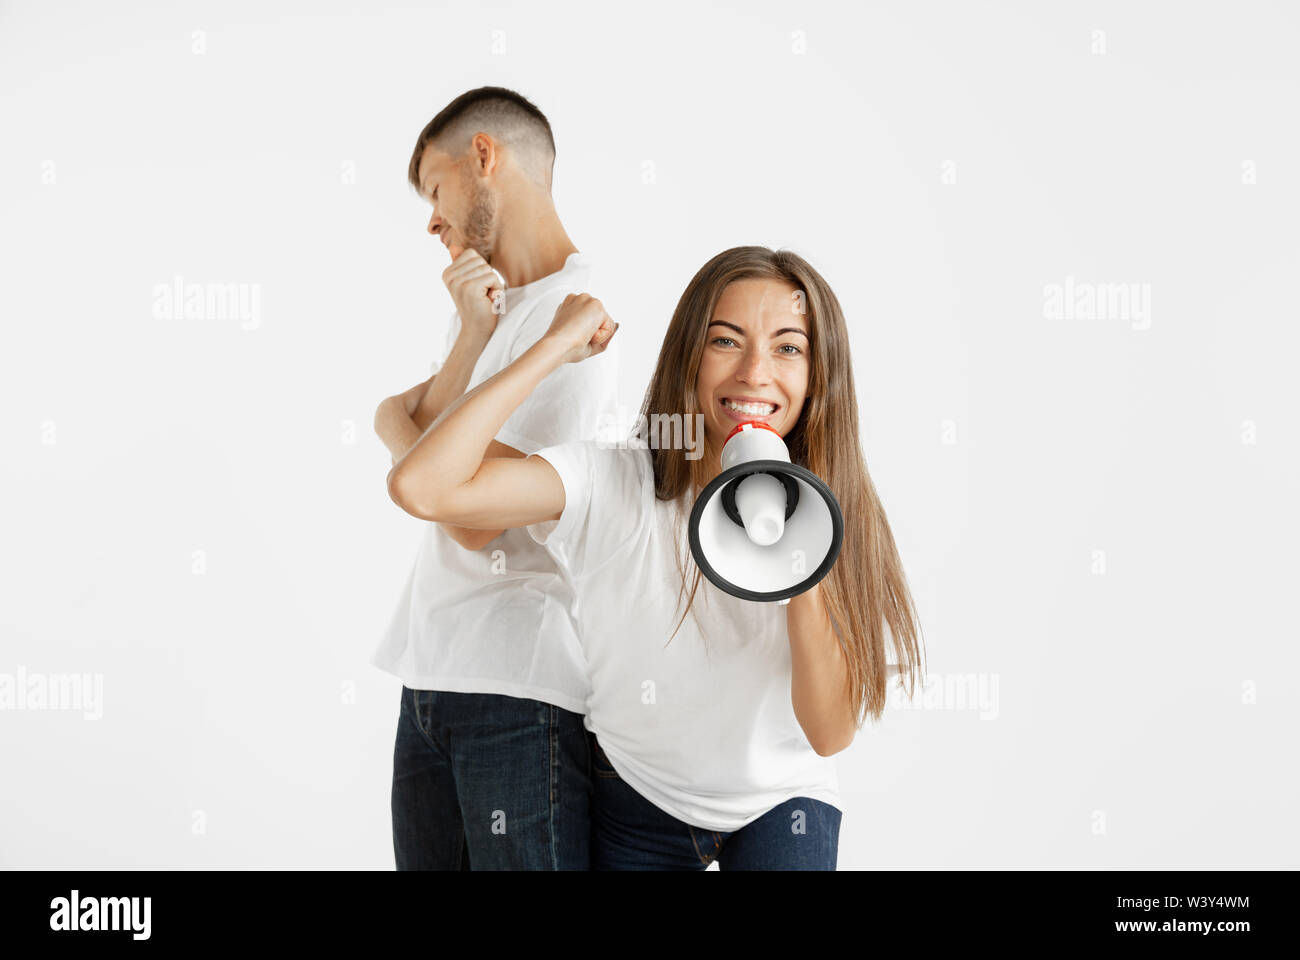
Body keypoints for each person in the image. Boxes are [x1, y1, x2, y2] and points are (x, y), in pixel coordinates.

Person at [388, 246, 926, 870]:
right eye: (727, 341)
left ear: (817, 375)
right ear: (688, 355)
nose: (755, 373)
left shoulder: (833, 513)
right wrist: (553, 348)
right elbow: (423, 488)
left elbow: (829, 733)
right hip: (638, 794)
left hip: (781, 800)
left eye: (788, 348)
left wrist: (799, 550)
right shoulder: (611, 481)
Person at [372, 87, 620, 870]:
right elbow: (399, 432)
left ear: (484, 156)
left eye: (435, 189)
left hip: (520, 694)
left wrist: (406, 426)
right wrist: (473, 334)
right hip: (428, 676)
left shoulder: (584, 325)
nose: (431, 221)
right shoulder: (483, 306)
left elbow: (469, 514)